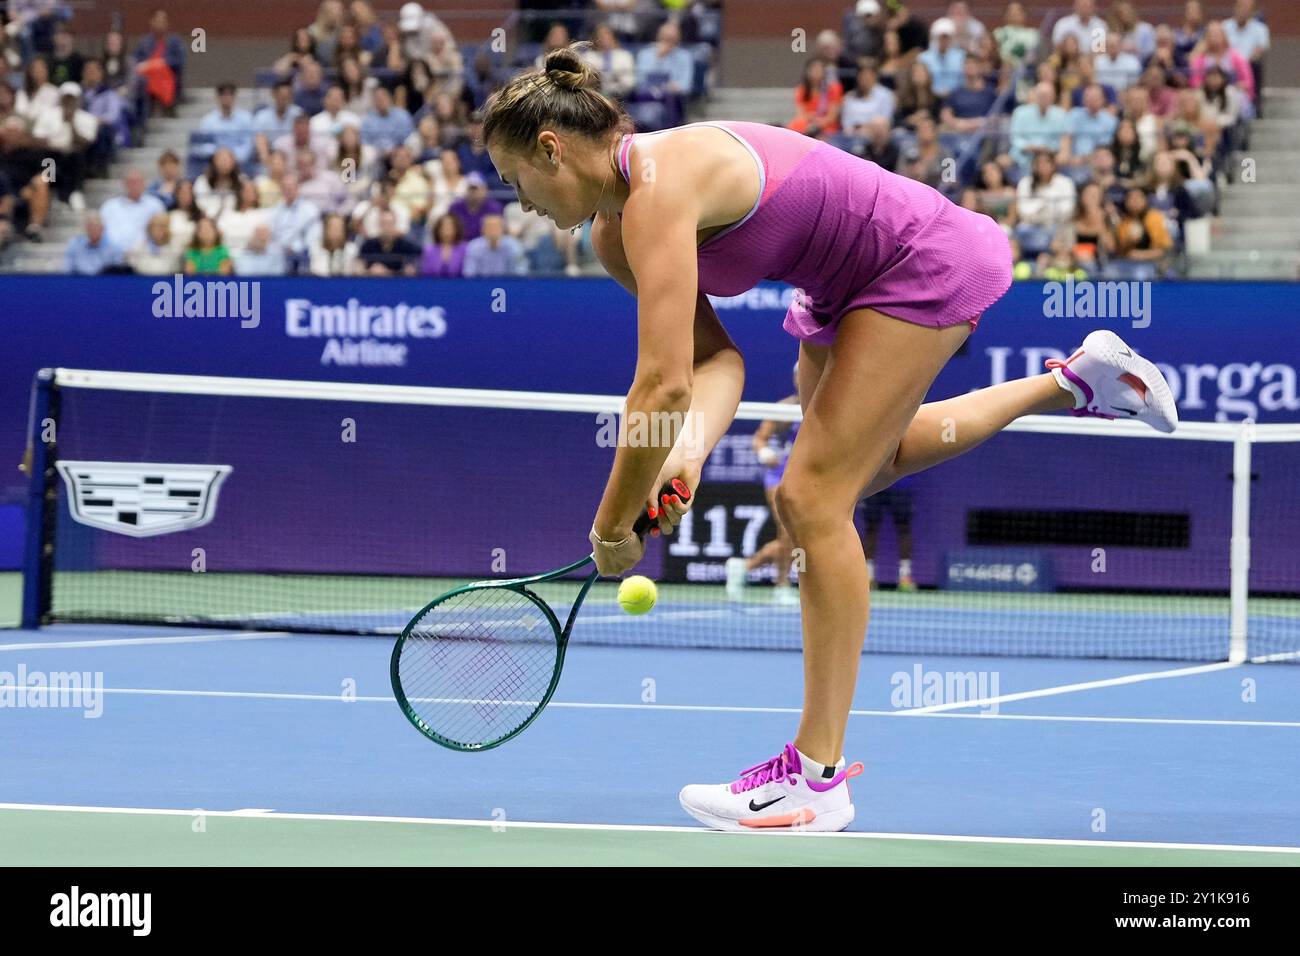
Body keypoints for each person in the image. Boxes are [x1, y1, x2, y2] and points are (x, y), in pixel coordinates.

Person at [483, 48, 1179, 832]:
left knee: (810, 498)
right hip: (838, 288)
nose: (523, 205)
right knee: (864, 470)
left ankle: (816, 778)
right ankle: (1077, 381)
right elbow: (714, 363)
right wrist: (686, 454)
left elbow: (662, 385)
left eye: (515, 182)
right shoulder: (614, 236)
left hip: (917, 255)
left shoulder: (660, 184)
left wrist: (611, 527)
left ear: (551, 147)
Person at [725, 374, 800, 607]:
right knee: (787, 532)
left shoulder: (826, 403)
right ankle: (782, 586)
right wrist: (764, 453)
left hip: (807, 479)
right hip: (779, 477)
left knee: (797, 538)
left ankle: (744, 567)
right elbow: (760, 439)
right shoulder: (787, 408)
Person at [858, 474, 917, 590]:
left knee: (904, 528)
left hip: (900, 484)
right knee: (871, 528)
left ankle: (905, 577)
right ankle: (868, 577)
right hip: (873, 483)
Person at [99, 168, 166, 251]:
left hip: (145, 255)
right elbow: (100, 232)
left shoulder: (155, 205)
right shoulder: (109, 206)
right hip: (113, 255)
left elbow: (163, 233)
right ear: (124, 184)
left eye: (138, 182)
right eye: (131, 182)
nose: (135, 186)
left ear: (144, 184)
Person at [788, 58, 842, 138]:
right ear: (808, 71)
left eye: (819, 70)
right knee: (795, 126)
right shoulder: (801, 90)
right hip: (807, 123)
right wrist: (810, 118)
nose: (816, 72)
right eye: (813, 69)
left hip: (826, 125)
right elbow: (800, 114)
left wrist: (818, 122)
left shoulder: (833, 89)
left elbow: (832, 116)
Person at [356, 208, 420, 275]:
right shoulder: (368, 245)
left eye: (389, 224)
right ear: (378, 225)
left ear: (395, 224)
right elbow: (359, 268)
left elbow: (414, 266)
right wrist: (369, 271)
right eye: (383, 223)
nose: (386, 228)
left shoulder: (407, 246)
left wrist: (388, 272)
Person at [462, 212, 527, 276]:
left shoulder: (514, 246)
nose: (493, 231)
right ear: (483, 230)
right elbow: (469, 273)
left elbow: (520, 273)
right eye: (489, 227)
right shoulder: (474, 246)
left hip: (508, 284)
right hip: (481, 284)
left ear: (503, 229)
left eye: (496, 227)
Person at [309, 212, 357, 276]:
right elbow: (317, 271)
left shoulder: (351, 249)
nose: (336, 231)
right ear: (326, 229)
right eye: (333, 227)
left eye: (339, 227)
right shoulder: (315, 247)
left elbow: (349, 274)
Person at [421, 211, 467, 276]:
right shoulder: (429, 250)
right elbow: (425, 273)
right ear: (438, 229)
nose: (447, 229)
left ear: (457, 228)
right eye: (443, 226)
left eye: (450, 226)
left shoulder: (465, 249)